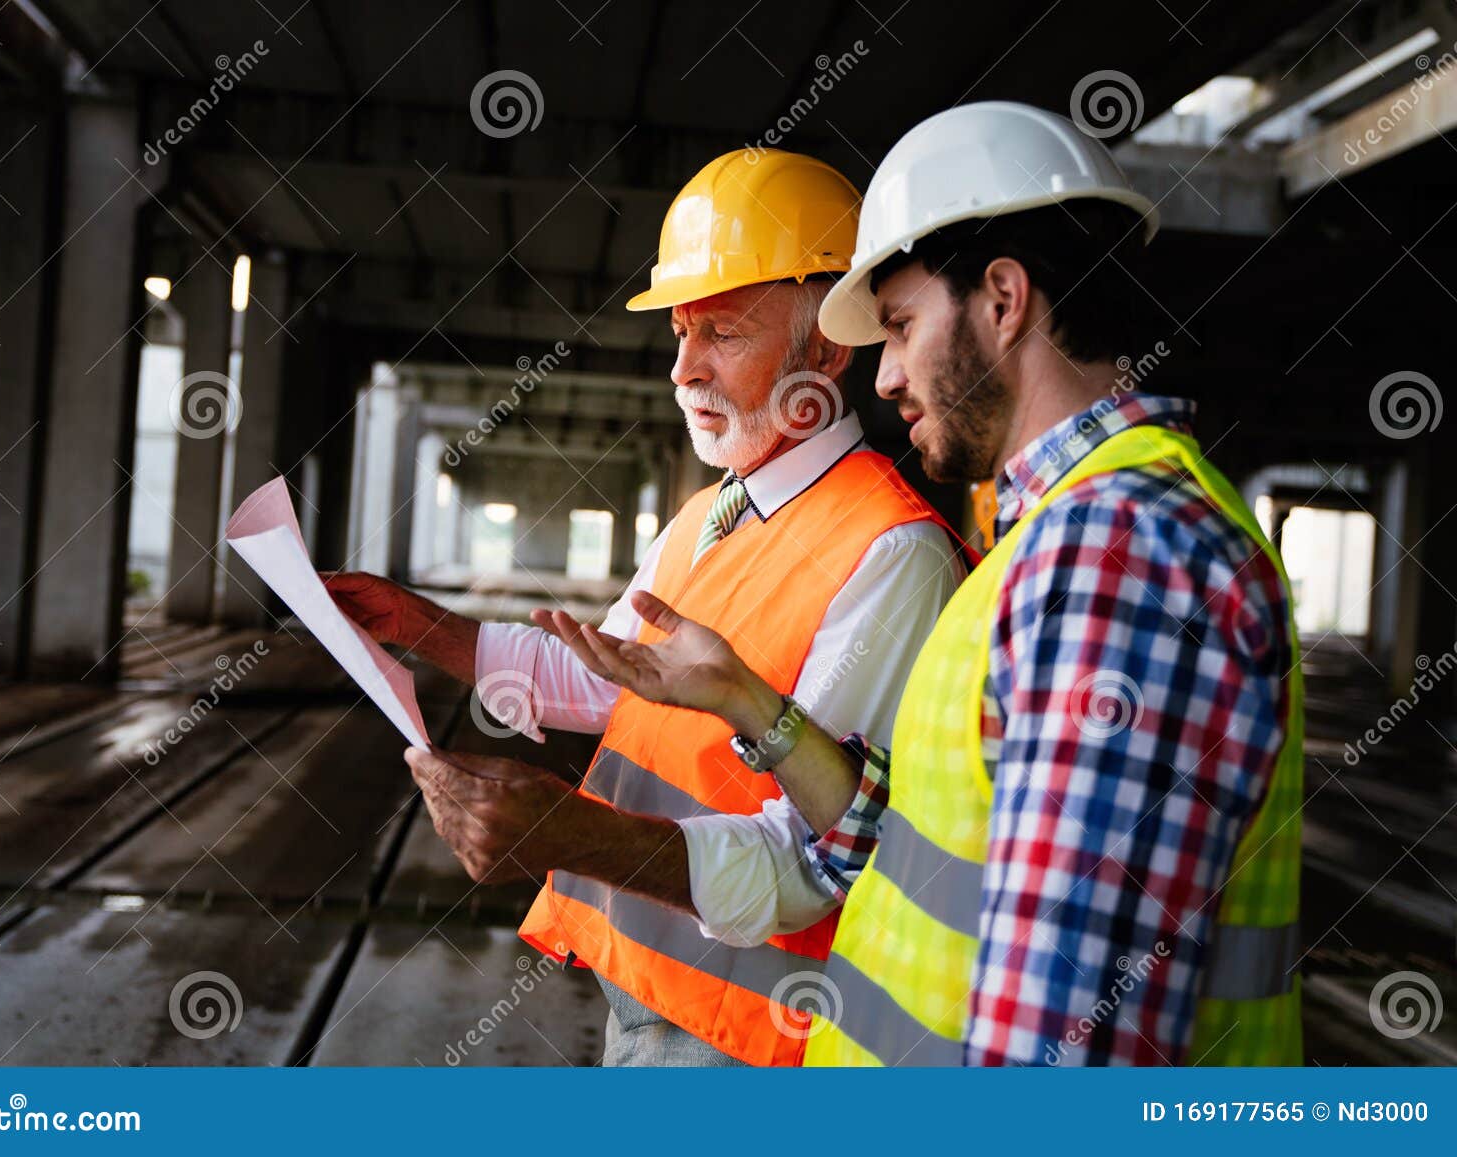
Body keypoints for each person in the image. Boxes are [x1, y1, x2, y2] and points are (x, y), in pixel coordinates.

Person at [539, 103, 1304, 1066]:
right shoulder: (1042, 544)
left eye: (900, 325)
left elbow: (1063, 1044)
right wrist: (747, 700)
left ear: (1003, 299)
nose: (886, 375)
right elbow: (894, 839)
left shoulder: (1120, 553)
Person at [328, 149, 965, 1066]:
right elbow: (604, 673)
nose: (683, 370)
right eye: (678, 333)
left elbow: (811, 863)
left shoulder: (891, 553)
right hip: (646, 1002)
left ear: (824, 349)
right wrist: (420, 625)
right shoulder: (707, 517)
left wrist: (570, 833)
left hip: (744, 1044)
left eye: (722, 334)